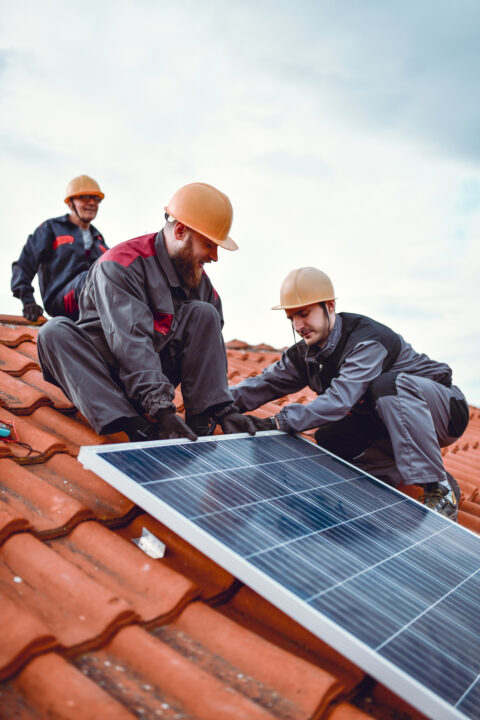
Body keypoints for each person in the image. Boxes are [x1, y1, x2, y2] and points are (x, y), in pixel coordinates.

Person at [231, 267, 469, 521]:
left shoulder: (367, 340)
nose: (298, 325)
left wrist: (279, 421)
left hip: (443, 412)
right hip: (389, 424)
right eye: (291, 318)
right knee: (331, 436)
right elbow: (264, 383)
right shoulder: (306, 354)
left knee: (387, 385)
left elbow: (339, 400)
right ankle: (400, 473)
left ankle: (437, 486)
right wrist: (216, 403)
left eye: (304, 313)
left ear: (330, 306)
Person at [37, 182, 257, 443]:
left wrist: (224, 409)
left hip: (153, 382)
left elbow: (208, 346)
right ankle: (134, 425)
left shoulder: (202, 285)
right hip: (107, 378)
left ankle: (203, 417)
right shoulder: (119, 265)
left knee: (204, 313)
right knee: (53, 332)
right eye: (209, 245)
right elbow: (131, 342)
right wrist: (162, 412)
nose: (215, 256)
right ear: (180, 231)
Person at [11, 175, 108, 322]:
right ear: (70, 203)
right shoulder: (51, 229)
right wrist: (28, 301)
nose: (92, 203)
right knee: (91, 278)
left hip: (91, 297)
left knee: (115, 274)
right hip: (60, 300)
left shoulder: (98, 239)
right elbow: (24, 265)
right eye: (86, 198)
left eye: (96, 199)